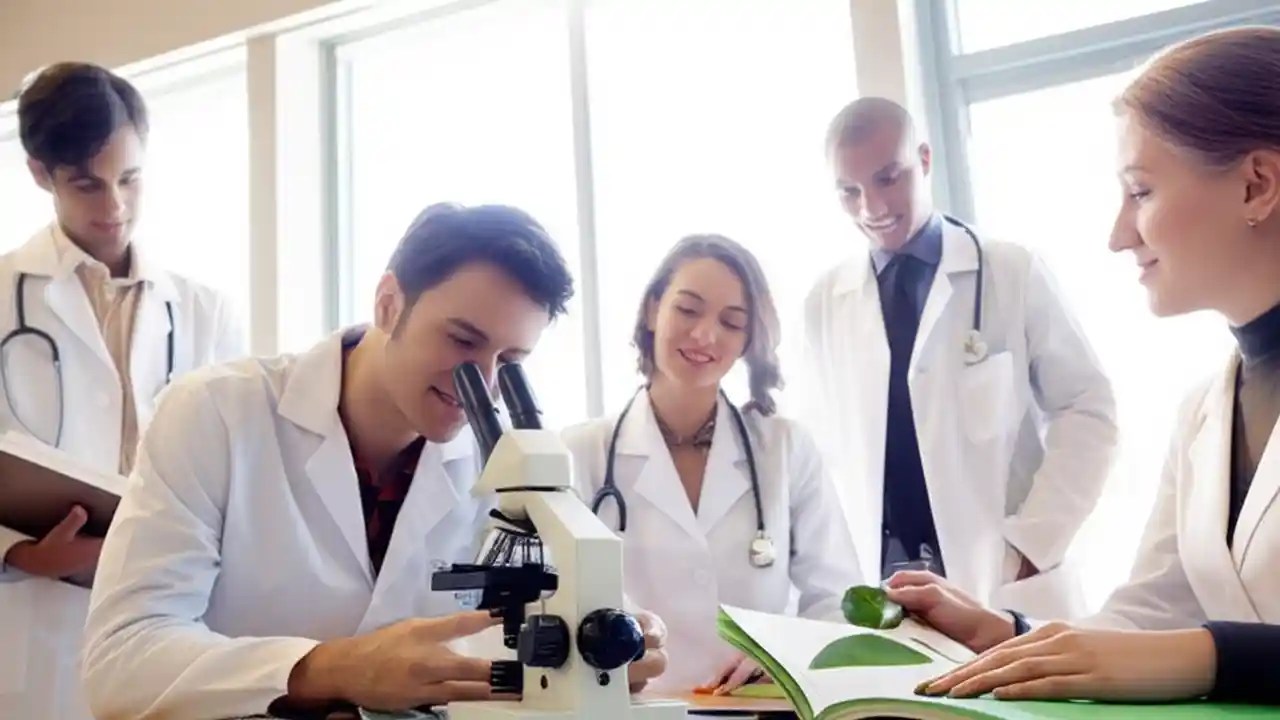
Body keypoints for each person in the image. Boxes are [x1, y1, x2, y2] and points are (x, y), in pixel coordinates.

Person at [81, 203, 667, 719]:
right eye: (463, 342)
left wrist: (614, 641)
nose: (484, 386)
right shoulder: (215, 413)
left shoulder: (505, 461)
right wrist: (331, 667)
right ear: (389, 304)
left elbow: (551, 607)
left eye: (511, 361)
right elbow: (121, 661)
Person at [886, 26, 1280, 706]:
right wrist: (1006, 632)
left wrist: (1208, 656)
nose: (1118, 235)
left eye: (1141, 192)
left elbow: (1181, 650)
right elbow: (1152, 618)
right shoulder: (1203, 411)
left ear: (1257, 185)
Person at [801, 96, 1118, 619]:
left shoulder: (1011, 270)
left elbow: (1087, 408)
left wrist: (1031, 546)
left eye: (888, 178)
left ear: (924, 160)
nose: (871, 208)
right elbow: (824, 451)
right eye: (849, 191)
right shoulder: (825, 301)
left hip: (998, 579)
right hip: (884, 586)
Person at [0, 63, 246, 720]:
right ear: (40, 173)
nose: (113, 207)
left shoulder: (205, 311)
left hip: (172, 619)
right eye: (87, 184)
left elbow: (240, 469)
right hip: (34, 618)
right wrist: (20, 551)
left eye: (130, 179)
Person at [564, 235, 862, 694]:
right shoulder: (580, 453)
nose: (705, 335)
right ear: (653, 310)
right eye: (688, 310)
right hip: (632, 708)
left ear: (747, 339)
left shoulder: (785, 449)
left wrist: (786, 653)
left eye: (731, 322)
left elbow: (837, 600)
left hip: (758, 707)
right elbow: (555, 600)